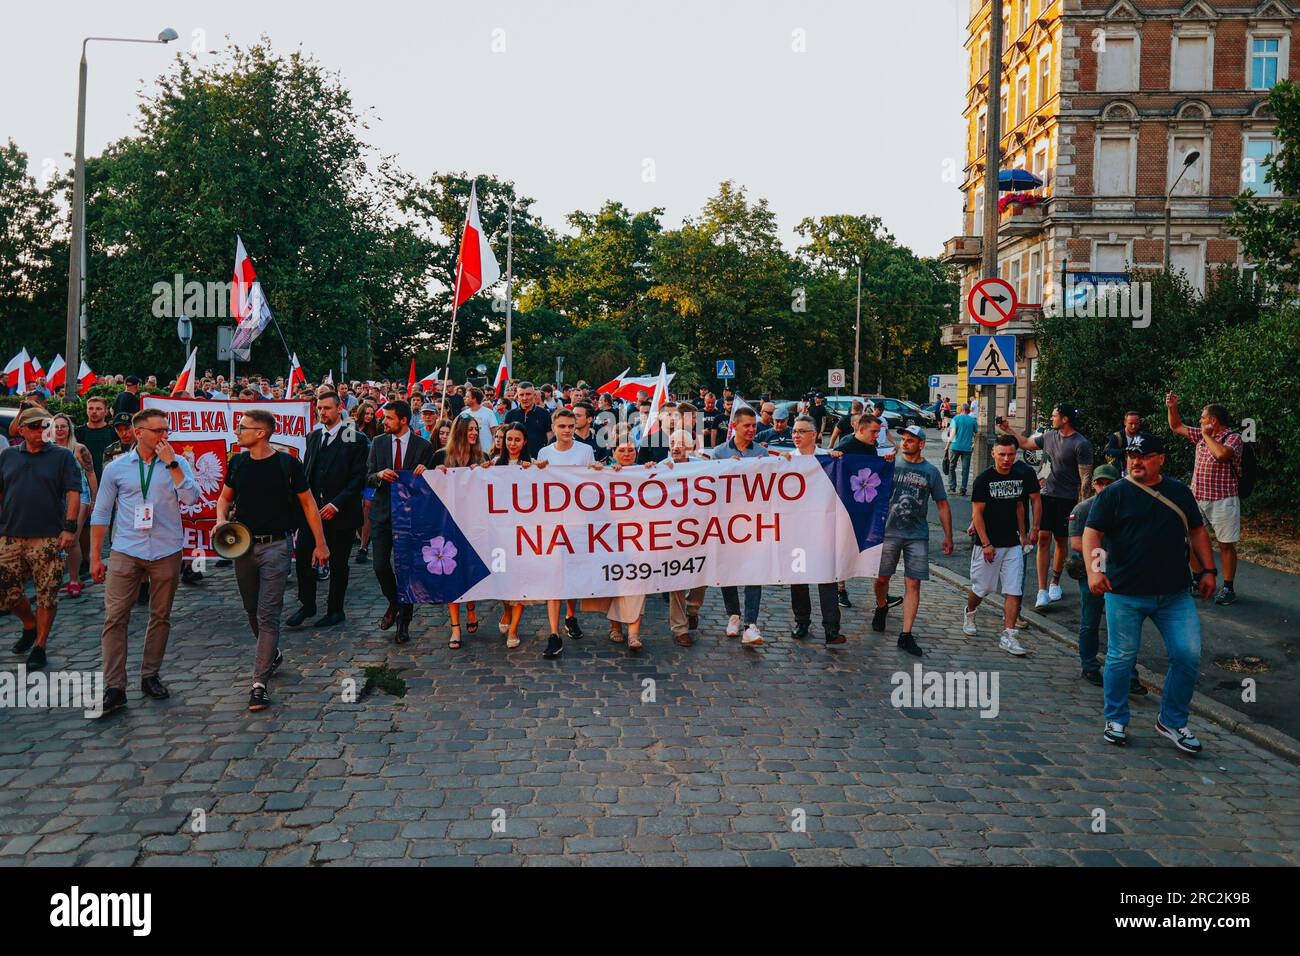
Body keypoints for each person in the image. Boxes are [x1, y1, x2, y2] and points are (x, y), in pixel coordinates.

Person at [1084, 433, 1216, 753]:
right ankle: (1115, 719)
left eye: (1143, 455)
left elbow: (1196, 530)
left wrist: (1209, 570)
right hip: (1125, 592)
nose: (1135, 460)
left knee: (1187, 654)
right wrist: (1094, 570)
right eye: (1131, 455)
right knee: (1121, 656)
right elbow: (1092, 534)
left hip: (1174, 594)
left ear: (1160, 459)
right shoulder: (1114, 494)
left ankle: (1171, 720)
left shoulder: (1179, 492)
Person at [89, 408, 200, 715]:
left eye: (167, 430)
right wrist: (96, 555)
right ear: (140, 434)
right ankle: (115, 687)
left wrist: (173, 464)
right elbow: (101, 513)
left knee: (160, 615)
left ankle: (150, 675)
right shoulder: (117, 468)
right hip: (126, 549)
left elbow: (191, 499)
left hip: (165, 550)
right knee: (115, 618)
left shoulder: (178, 463)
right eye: (158, 431)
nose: (165, 435)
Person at [217, 409, 330, 711]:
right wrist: (220, 520)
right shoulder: (238, 463)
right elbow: (225, 498)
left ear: (261, 433)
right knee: (252, 609)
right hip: (241, 547)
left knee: (269, 614)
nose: (237, 431)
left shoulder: (287, 464)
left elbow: (308, 504)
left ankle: (259, 684)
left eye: (242, 427)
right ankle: (272, 654)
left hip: (276, 547)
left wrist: (320, 543)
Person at [0, 407, 81, 670]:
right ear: (21, 430)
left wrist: (69, 529)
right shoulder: (8, 456)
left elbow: (72, 493)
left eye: (43, 425)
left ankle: (41, 645)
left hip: (49, 538)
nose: (40, 431)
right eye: (33, 427)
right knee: (7, 593)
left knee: (47, 594)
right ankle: (29, 624)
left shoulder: (62, 456)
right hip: (10, 535)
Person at [999, 403, 1094, 610]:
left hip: (1067, 499)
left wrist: (1082, 507)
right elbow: (1025, 443)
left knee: (1061, 541)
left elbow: (1085, 478)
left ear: (1065, 419)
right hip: (1045, 496)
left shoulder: (1080, 443)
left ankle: (1055, 582)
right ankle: (1042, 590)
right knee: (1043, 538)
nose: (1052, 418)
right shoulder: (1049, 436)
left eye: (1054, 415)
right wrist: (1009, 430)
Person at [287, 392, 369, 630]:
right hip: (312, 513)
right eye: (319, 408)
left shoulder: (355, 437)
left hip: (341, 514)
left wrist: (337, 504)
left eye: (327, 408)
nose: (322, 412)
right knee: (303, 556)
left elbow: (357, 479)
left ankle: (335, 609)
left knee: (338, 564)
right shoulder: (313, 436)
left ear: (339, 408)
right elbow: (308, 472)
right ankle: (307, 603)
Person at [872, 425, 954, 656]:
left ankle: (906, 634)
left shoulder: (931, 472)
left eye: (911, 440)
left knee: (913, 583)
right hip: (888, 532)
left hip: (917, 535)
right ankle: (881, 606)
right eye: (904, 439)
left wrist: (948, 535)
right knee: (881, 578)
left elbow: (942, 503)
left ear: (921, 444)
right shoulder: (891, 464)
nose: (905, 442)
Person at [1066, 463, 1144, 695]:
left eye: (1108, 483)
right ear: (1094, 484)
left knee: (1124, 624)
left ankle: (1128, 674)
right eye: (1100, 483)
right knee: (1090, 619)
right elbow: (1076, 543)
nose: (1103, 487)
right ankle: (1089, 666)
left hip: (1121, 571)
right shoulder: (1083, 509)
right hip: (1093, 567)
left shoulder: (1127, 507)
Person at [366, 400, 435, 645]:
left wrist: (426, 471)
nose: (383, 422)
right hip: (383, 514)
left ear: (403, 420)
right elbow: (368, 476)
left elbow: (433, 484)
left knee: (406, 571)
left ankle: (404, 621)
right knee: (380, 566)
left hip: (410, 518)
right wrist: (379, 475)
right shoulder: (378, 442)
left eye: (388, 418)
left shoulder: (424, 446)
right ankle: (394, 602)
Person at [1166, 394, 1244, 606]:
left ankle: (1228, 587)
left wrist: (1207, 436)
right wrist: (1172, 407)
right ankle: (1198, 576)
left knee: (1226, 545)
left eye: (1203, 418)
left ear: (1213, 421)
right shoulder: (1201, 434)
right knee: (1187, 539)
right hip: (1197, 498)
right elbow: (1176, 426)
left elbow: (1221, 455)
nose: (1200, 421)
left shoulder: (1233, 438)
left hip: (1223, 500)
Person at [963, 434, 1037, 657]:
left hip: (1013, 543)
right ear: (994, 453)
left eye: (1011, 455)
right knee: (982, 588)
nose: (1006, 459)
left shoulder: (1020, 476)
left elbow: (1020, 508)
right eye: (1002, 454)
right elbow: (977, 513)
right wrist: (986, 543)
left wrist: (1023, 535)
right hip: (989, 543)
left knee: (1014, 590)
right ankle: (970, 611)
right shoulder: (984, 479)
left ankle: (1009, 635)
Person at [532, 408, 597, 658]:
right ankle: (553, 634)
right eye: (562, 426)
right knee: (554, 576)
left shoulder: (585, 451)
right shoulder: (544, 453)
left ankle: (570, 615)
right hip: (551, 523)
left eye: (571, 426)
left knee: (570, 574)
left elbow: (593, 484)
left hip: (577, 523)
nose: (567, 430)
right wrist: (535, 469)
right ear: (553, 426)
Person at [778, 415, 846, 645]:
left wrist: (837, 458)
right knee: (798, 580)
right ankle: (802, 622)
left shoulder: (828, 458)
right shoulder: (788, 460)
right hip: (797, 532)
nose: (795, 435)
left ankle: (832, 628)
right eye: (794, 431)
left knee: (826, 579)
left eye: (801, 431)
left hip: (823, 531)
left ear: (814, 435)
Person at [710, 406, 767, 647]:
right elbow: (709, 485)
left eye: (754, 425)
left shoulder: (762, 452)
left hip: (754, 520)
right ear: (734, 426)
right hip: (727, 520)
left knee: (754, 571)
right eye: (748, 425)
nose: (753, 429)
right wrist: (725, 469)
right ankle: (733, 615)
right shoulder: (719, 452)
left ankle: (750, 624)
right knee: (728, 570)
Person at [432, 415, 485, 648]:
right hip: (448, 524)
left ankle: (471, 608)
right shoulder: (441, 456)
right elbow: (424, 482)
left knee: (470, 571)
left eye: (476, 429)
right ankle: (455, 627)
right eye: (470, 429)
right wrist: (434, 472)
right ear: (460, 431)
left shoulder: (481, 457)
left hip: (474, 523)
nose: (474, 433)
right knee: (452, 573)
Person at [484, 422, 537, 648]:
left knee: (520, 580)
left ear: (524, 442)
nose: (512, 444)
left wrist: (538, 470)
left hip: (523, 533)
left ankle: (514, 628)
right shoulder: (495, 464)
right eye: (509, 439)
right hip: (500, 533)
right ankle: (506, 611)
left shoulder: (532, 465)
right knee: (503, 580)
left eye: (517, 439)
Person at [662, 430, 707, 646]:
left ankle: (693, 608)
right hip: (672, 531)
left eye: (680, 443)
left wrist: (734, 463)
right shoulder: (662, 466)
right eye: (672, 442)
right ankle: (679, 628)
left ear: (689, 447)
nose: (676, 446)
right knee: (675, 579)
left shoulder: (703, 464)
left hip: (699, 530)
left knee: (702, 575)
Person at [51, 414, 97, 599]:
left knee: (73, 539)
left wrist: (95, 499)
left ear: (69, 429)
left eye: (63, 426)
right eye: (57, 426)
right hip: (55, 499)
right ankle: (63, 579)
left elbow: (91, 474)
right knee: (58, 541)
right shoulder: (48, 450)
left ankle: (74, 580)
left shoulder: (79, 449)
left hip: (81, 497)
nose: (60, 430)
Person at [504, 381, 552, 459]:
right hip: (515, 461)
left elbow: (549, 439)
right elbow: (506, 439)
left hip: (538, 460)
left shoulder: (544, 414)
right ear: (517, 396)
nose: (525, 398)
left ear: (534, 395)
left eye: (528, 394)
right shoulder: (511, 415)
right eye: (521, 394)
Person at [945, 403, 977, 495]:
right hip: (967, 448)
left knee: (951, 467)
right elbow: (976, 434)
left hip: (955, 446)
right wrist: (973, 444)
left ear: (961, 410)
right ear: (969, 410)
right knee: (965, 469)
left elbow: (952, 434)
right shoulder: (972, 420)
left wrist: (947, 446)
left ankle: (952, 487)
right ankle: (963, 489)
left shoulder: (955, 418)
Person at [462, 387, 500, 454]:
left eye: (467, 397)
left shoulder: (489, 413)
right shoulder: (463, 414)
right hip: (468, 453)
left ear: (474, 399)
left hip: (486, 452)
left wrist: (495, 451)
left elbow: (495, 433)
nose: (464, 398)